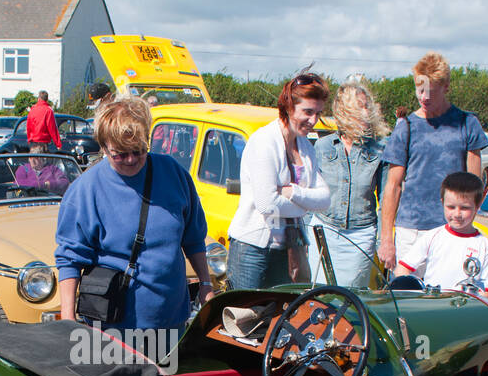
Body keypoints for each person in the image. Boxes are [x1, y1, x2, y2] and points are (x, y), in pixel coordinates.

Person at [56, 97, 213, 333]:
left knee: (167, 371)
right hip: (110, 326)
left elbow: (193, 238)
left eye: (138, 151)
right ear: (103, 147)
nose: (131, 160)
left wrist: (205, 284)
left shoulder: (173, 174)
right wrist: (68, 319)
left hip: (170, 322)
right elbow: (70, 259)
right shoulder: (86, 189)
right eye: (120, 154)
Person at [378, 53, 488, 275]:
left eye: (431, 91)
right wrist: (387, 239)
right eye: (419, 90)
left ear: (446, 87)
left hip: (452, 228)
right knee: (405, 300)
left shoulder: (468, 123)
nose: (424, 97)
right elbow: (392, 187)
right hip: (411, 230)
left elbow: (474, 185)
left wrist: (467, 231)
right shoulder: (406, 127)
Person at [226, 73, 331, 289]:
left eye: (318, 113)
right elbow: (267, 205)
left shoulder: (306, 147)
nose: (313, 121)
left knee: (283, 316)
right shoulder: (265, 142)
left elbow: (324, 200)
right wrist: (305, 206)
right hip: (252, 247)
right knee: (246, 316)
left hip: (288, 249)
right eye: (308, 112)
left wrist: (293, 193)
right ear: (290, 107)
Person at [308, 80, 388, 287]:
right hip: (324, 230)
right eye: (358, 106)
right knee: (319, 293)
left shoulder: (379, 148)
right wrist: (306, 233)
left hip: (361, 234)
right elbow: (310, 191)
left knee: (351, 296)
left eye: (366, 106)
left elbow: (387, 198)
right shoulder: (324, 146)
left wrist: (382, 240)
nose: (364, 112)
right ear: (344, 111)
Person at [396, 171, 488, 295]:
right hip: (432, 306)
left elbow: (486, 290)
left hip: (466, 311)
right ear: (442, 202)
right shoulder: (432, 236)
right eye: (451, 207)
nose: (457, 214)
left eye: (464, 208)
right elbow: (402, 269)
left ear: (477, 205)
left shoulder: (484, 245)